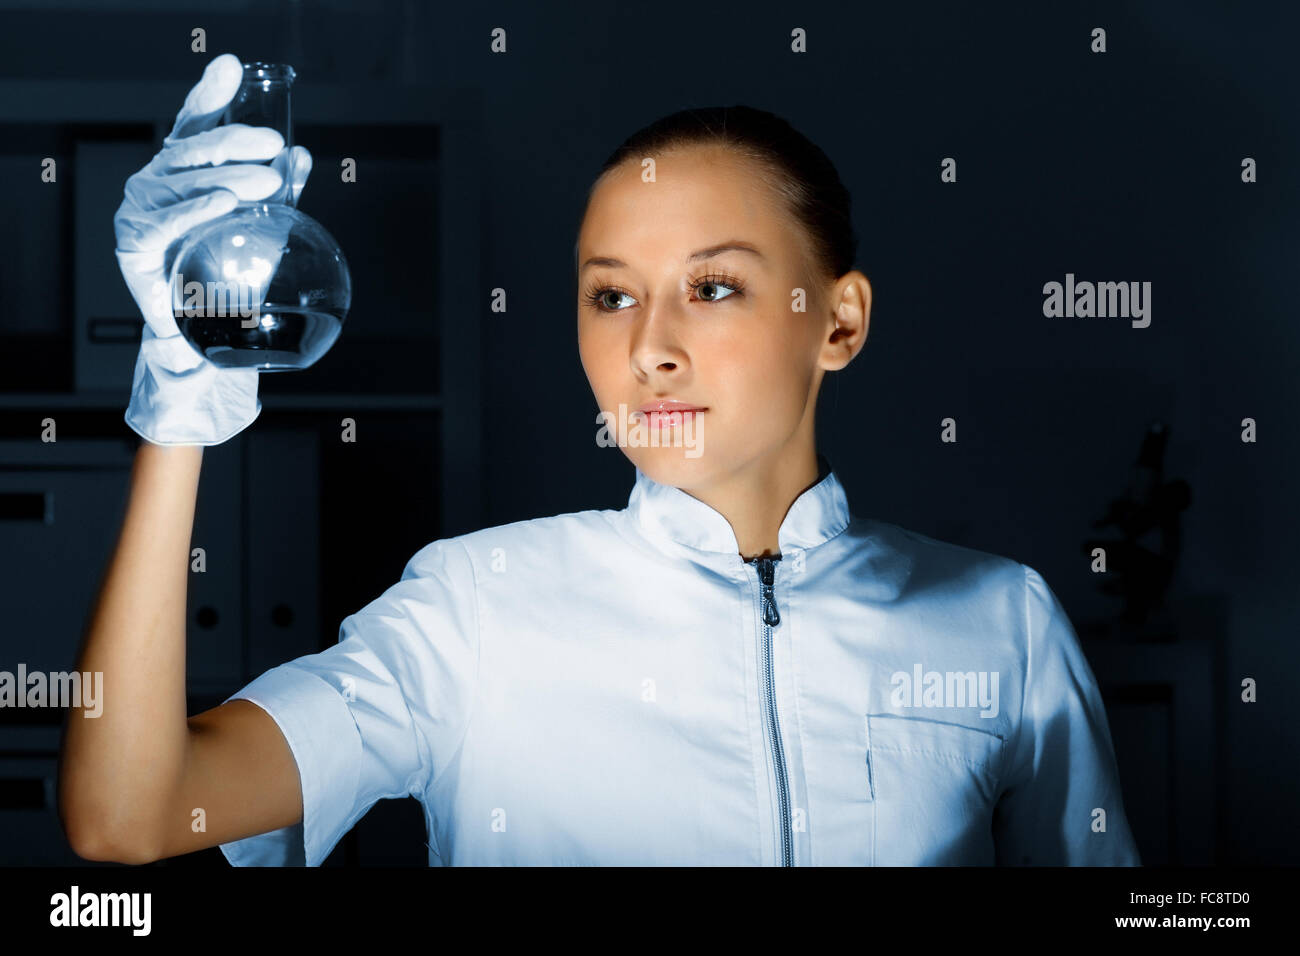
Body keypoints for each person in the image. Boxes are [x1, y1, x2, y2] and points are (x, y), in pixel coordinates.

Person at [59, 53, 1140, 866]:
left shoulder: (1002, 622)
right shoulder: (472, 609)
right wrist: (178, 404)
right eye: (610, 294)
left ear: (838, 321)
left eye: (713, 287)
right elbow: (132, 813)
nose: (649, 346)